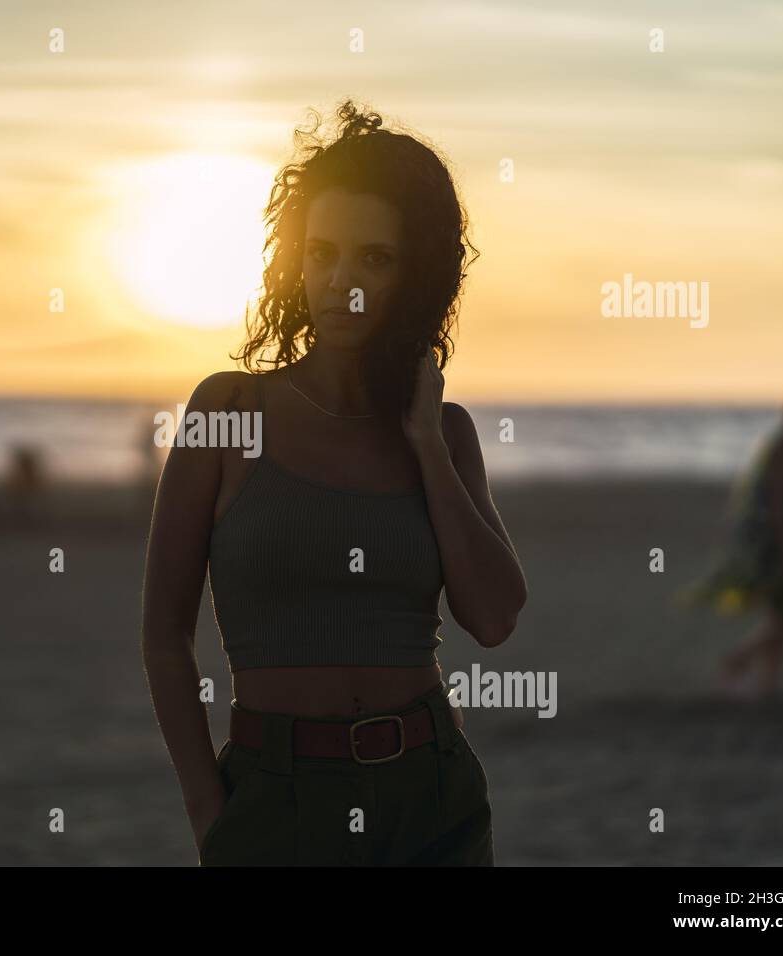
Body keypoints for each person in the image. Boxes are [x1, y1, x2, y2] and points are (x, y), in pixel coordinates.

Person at [141, 101, 527, 866]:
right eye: (322, 252)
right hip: (274, 798)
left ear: (414, 272)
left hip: (430, 797)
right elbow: (163, 636)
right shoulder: (228, 411)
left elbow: (494, 615)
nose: (341, 281)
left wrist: (424, 444)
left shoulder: (444, 434)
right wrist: (207, 812)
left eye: (374, 259)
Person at [680, 390, 783, 697]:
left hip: (779, 546)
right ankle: (737, 660)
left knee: (781, 617)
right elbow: (777, 504)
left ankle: (766, 687)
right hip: (778, 548)